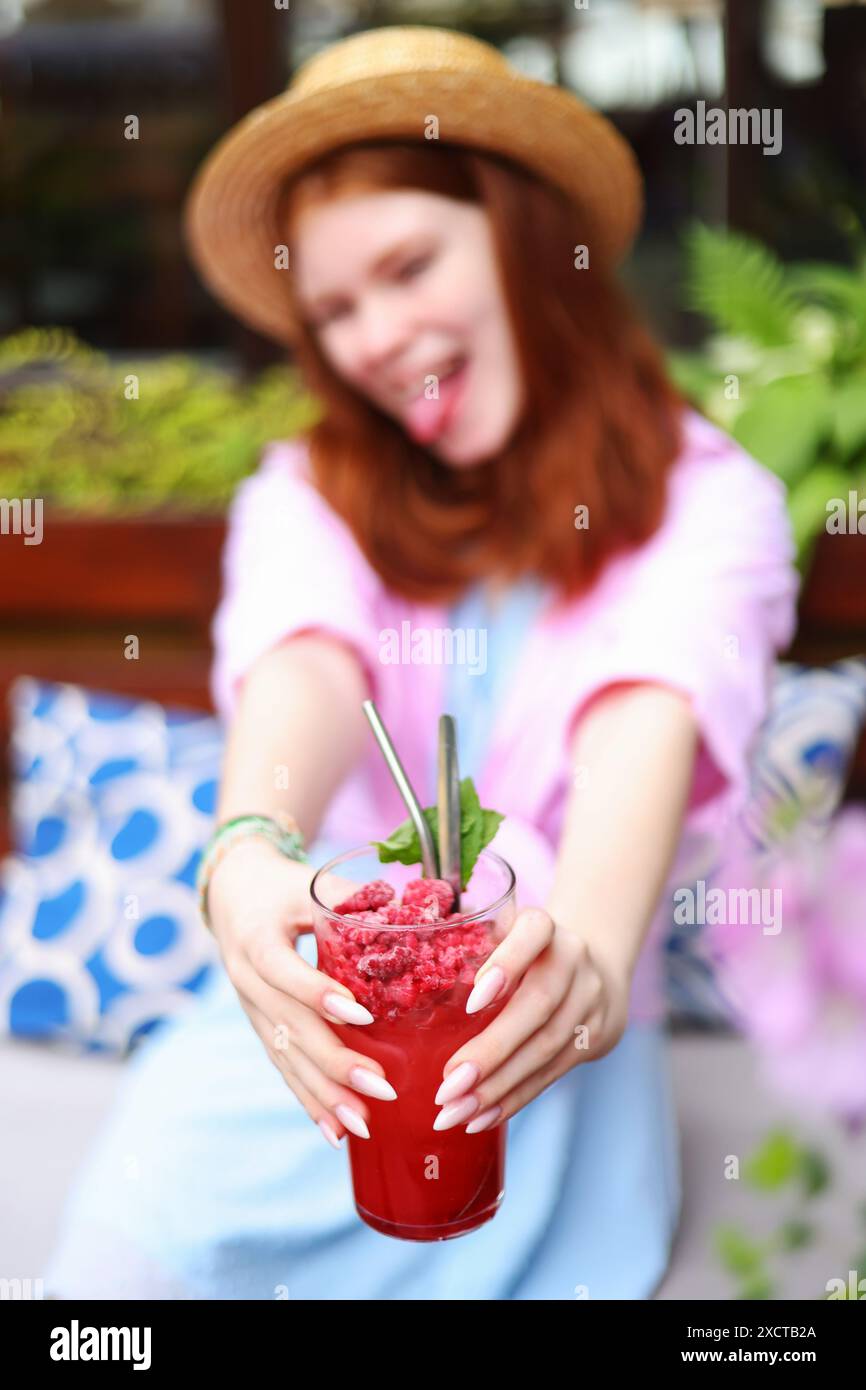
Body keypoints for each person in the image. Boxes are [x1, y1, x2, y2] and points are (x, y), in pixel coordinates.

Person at [44, 26, 798, 1300]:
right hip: (325, 1043)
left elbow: (644, 720)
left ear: (516, 236)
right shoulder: (308, 493)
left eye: (406, 267)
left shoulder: (710, 507)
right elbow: (306, 669)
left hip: (541, 1051)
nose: (378, 338)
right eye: (333, 309)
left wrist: (596, 957)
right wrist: (243, 851)